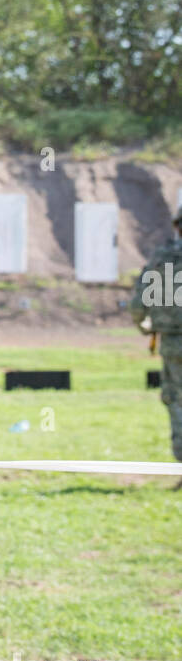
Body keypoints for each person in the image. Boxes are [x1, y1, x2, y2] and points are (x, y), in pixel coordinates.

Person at [130, 204, 182, 481]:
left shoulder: (162, 259)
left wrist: (144, 326)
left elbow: (139, 303)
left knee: (177, 401)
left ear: (177, 227)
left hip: (174, 343)